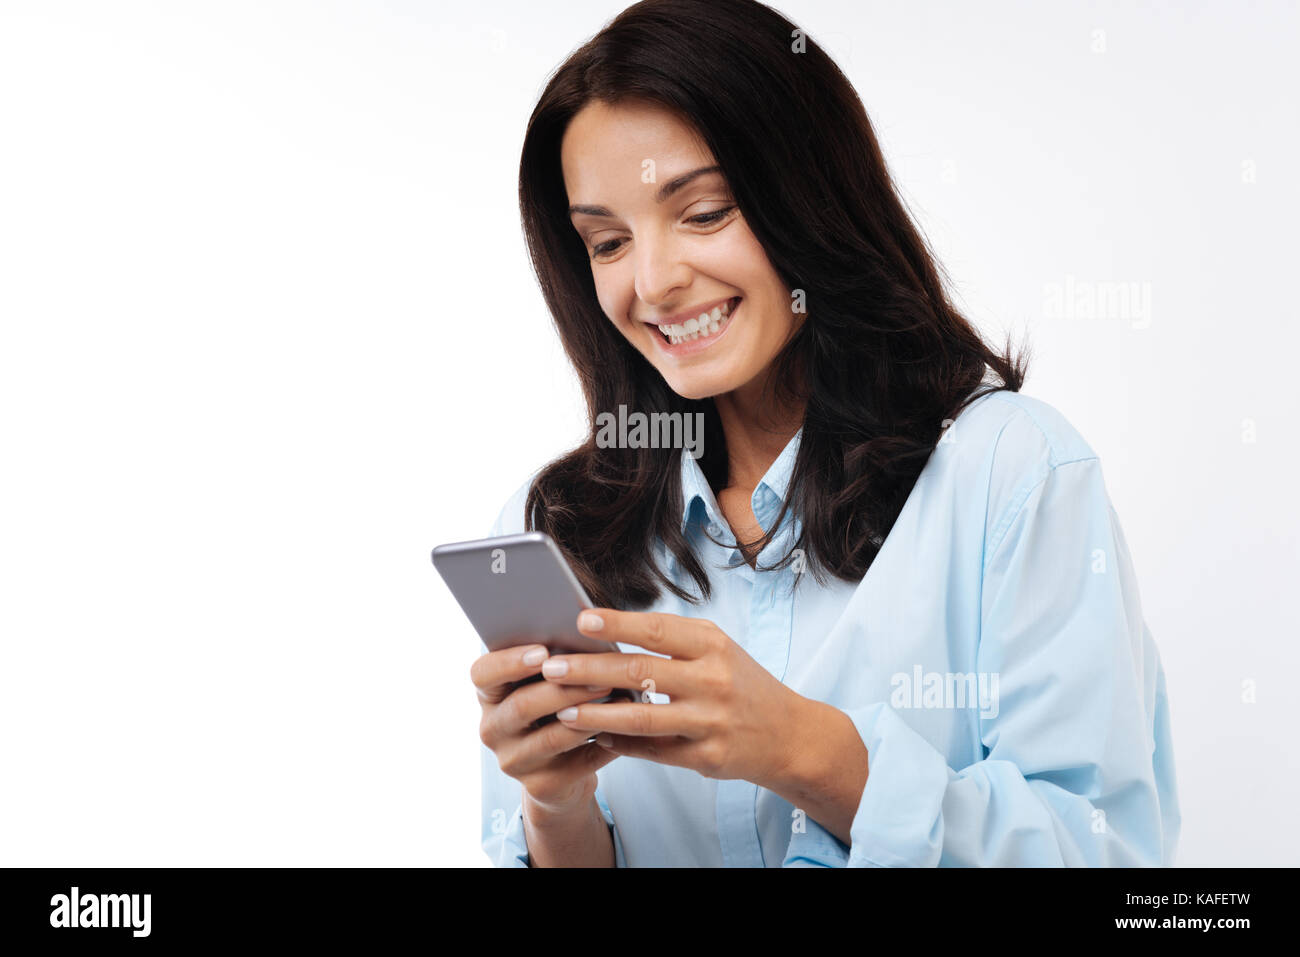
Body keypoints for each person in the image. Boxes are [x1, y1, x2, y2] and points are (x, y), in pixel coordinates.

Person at [472, 0, 1180, 867]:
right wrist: (554, 803)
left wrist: (808, 751)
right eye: (608, 241)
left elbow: (1114, 860)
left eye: (703, 214)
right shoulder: (554, 526)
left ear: (809, 196)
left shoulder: (1011, 475)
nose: (651, 283)